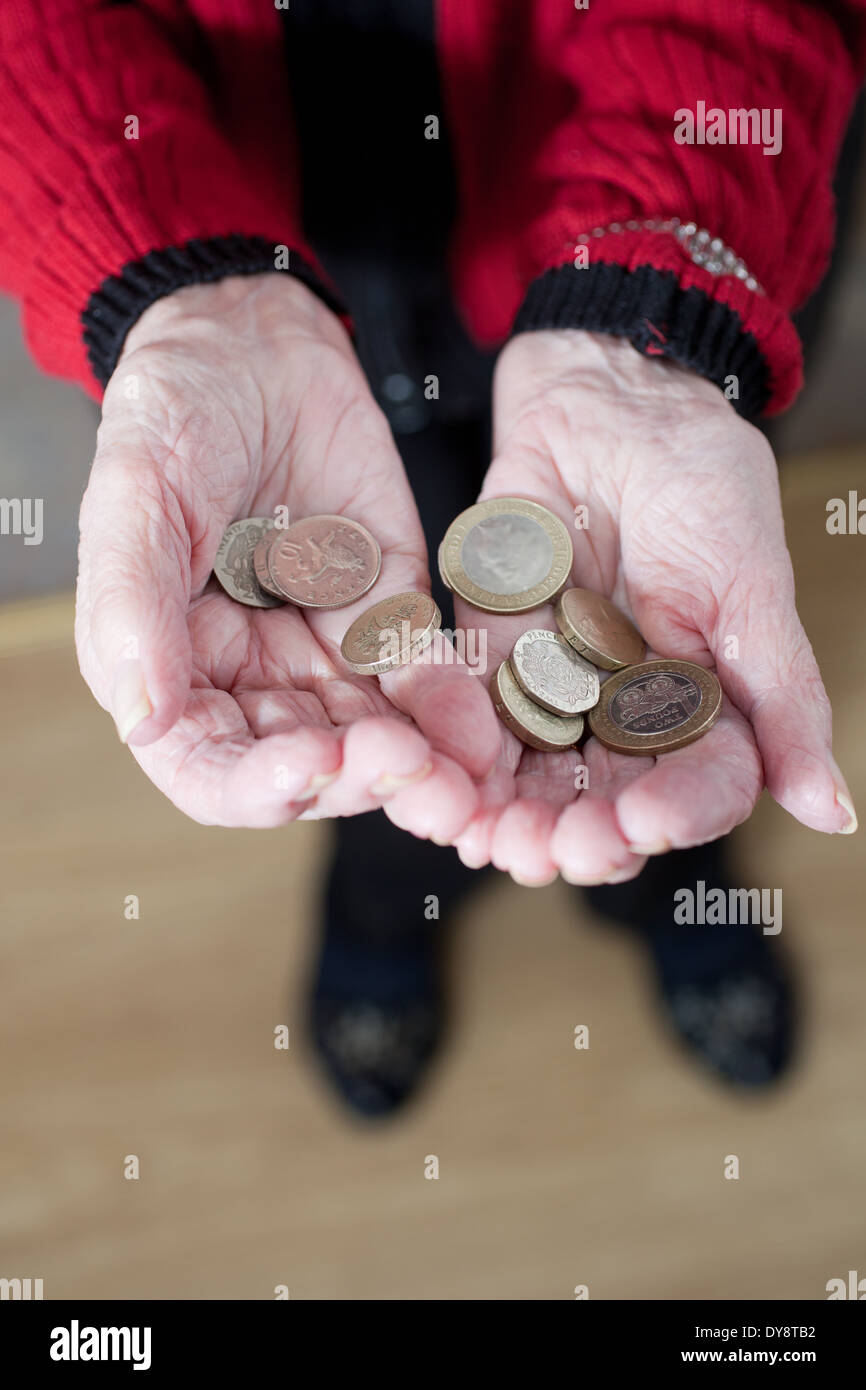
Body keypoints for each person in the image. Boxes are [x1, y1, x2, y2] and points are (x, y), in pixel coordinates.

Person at [1, 1, 863, 1116]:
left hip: (649, 256)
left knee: (659, 612)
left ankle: (670, 890)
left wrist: (649, 295)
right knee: (369, 701)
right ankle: (382, 903)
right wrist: (165, 277)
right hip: (265, 261)